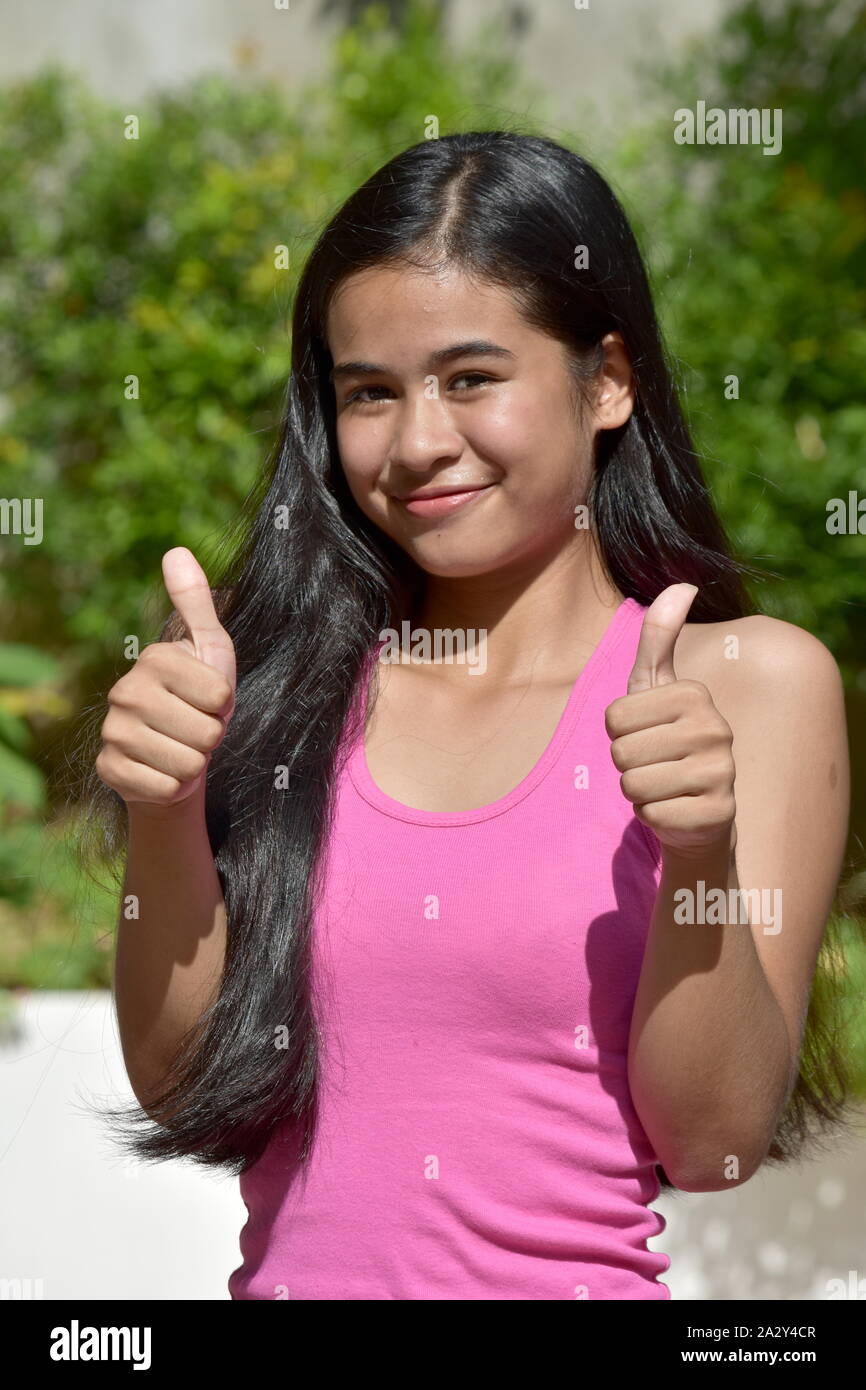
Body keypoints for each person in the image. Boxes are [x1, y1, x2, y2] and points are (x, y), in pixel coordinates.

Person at [79, 131, 853, 1300]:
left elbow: (711, 1142)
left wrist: (699, 849)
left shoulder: (746, 683)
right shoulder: (275, 683)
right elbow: (186, 1087)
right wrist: (164, 807)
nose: (418, 442)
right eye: (368, 394)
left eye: (470, 377)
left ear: (606, 380)